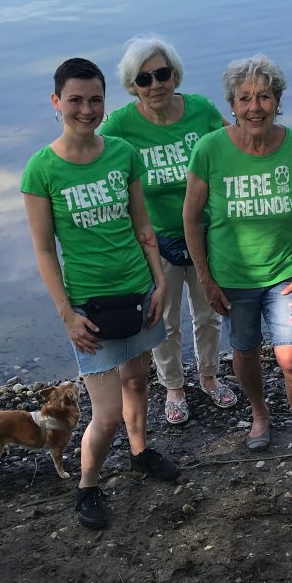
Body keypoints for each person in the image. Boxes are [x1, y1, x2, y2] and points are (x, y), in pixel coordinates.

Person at [21, 57, 181, 530]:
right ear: (56, 102)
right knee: (106, 413)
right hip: (90, 308)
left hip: (138, 293)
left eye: (95, 100)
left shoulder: (122, 153)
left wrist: (159, 282)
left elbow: (142, 224)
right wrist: (66, 314)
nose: (86, 110)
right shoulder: (42, 170)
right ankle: (87, 485)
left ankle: (140, 452)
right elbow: (44, 252)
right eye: (75, 100)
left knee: (138, 381)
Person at [183, 55, 292, 489]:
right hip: (231, 277)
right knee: (245, 350)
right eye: (245, 98)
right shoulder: (209, 149)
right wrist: (206, 278)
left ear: (278, 101)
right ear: (231, 103)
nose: (255, 107)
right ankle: (259, 413)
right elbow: (191, 218)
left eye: (264, 97)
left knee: (290, 356)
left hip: (284, 272)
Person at [99, 37, 237, 425]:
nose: (155, 85)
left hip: (206, 236)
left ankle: (209, 376)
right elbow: (94, 154)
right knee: (164, 320)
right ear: (132, 85)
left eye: (162, 74)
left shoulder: (201, 110)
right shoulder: (122, 124)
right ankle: (173, 385)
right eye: (144, 79)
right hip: (156, 242)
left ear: (175, 74)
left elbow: (235, 144)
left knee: (209, 314)